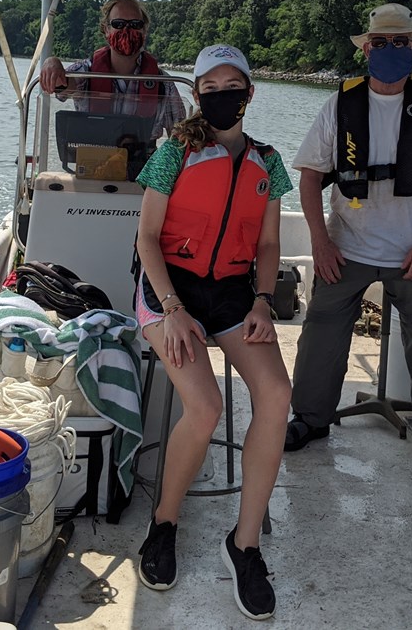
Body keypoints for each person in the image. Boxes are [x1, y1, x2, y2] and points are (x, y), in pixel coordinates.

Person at [132, 44, 293, 621]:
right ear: (198, 93)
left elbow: (268, 244)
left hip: (232, 293)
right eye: (211, 87)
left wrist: (263, 302)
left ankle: (244, 545)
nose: (223, 95)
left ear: (250, 92)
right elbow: (146, 239)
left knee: (277, 395)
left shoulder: (268, 162)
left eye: (233, 86)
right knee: (204, 409)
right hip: (168, 289)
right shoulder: (174, 152)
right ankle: (163, 524)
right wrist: (173, 309)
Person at [284, 3, 412, 474]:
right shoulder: (340, 105)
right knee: (320, 327)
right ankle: (310, 419)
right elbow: (310, 176)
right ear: (366, 50)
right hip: (346, 247)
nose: (390, 49)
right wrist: (320, 242)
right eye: (380, 42)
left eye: (399, 42)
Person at [39, 0, 186, 136]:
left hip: (144, 153)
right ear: (106, 30)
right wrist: (52, 63)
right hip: (92, 150)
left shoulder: (163, 83)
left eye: (135, 24)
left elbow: (181, 133)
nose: (126, 30)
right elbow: (63, 85)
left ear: (144, 31)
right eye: (118, 24)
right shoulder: (87, 71)